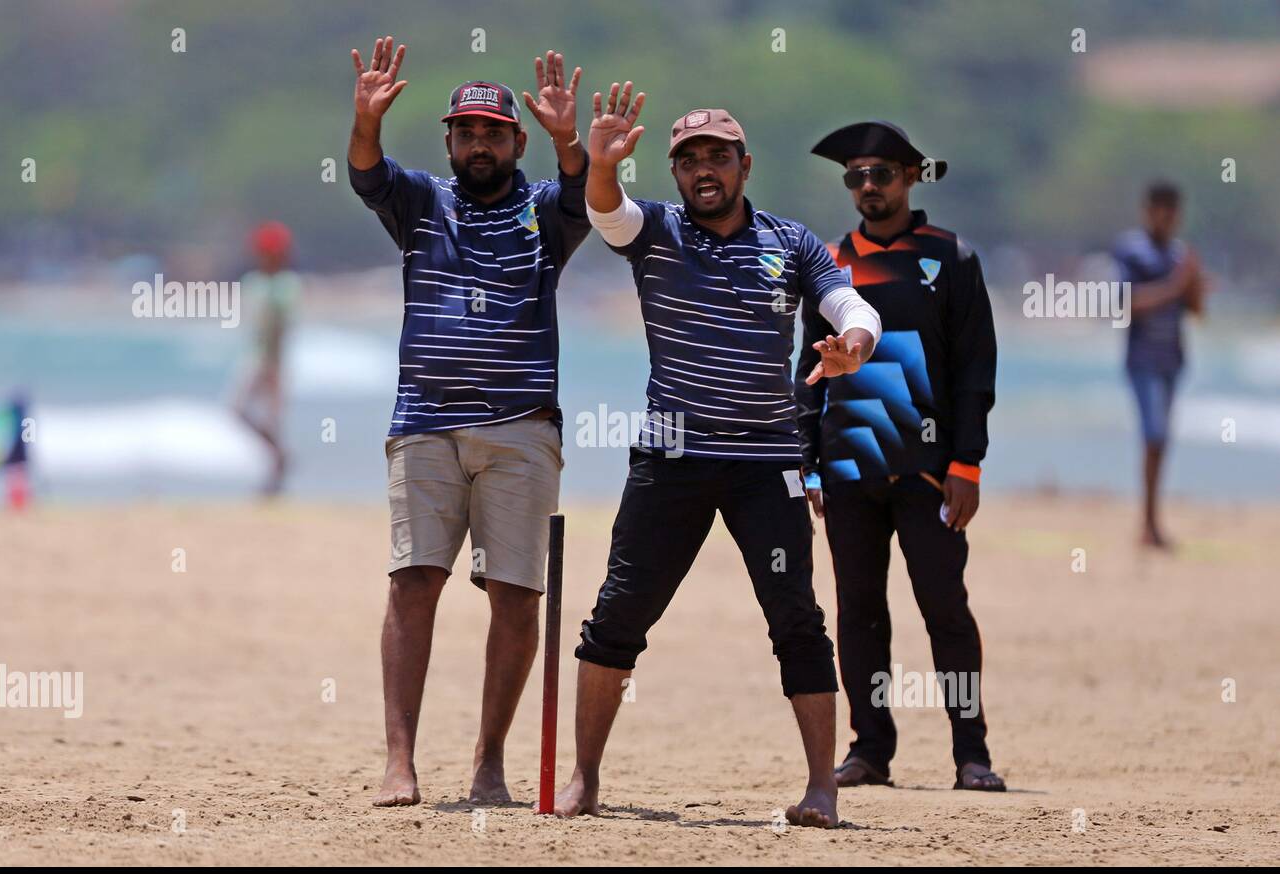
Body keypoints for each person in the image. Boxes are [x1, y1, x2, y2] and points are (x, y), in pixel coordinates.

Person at [554, 86, 880, 828]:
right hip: (671, 460)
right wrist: (601, 164)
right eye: (690, 159)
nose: (706, 170)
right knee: (617, 616)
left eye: (718, 157)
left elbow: (852, 307)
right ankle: (584, 777)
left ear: (744, 164)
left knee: (796, 619)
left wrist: (851, 349)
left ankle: (821, 789)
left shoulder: (790, 242)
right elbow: (607, 212)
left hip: (768, 466)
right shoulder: (658, 231)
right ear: (674, 173)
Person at [347, 38, 591, 806]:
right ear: (449, 142)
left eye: (493, 132)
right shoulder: (421, 203)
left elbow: (590, 197)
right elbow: (365, 174)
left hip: (522, 426)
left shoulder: (545, 212)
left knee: (516, 595)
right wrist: (365, 121)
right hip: (424, 422)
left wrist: (568, 141)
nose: (478, 143)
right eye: (465, 132)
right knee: (413, 582)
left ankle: (489, 761)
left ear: (517, 143)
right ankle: (400, 762)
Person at [795, 121, 1004, 792]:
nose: (866, 186)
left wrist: (967, 463)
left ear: (912, 178)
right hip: (850, 465)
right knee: (859, 610)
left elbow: (976, 369)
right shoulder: (830, 264)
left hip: (928, 469)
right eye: (854, 175)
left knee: (944, 606)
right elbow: (807, 371)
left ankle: (971, 754)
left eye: (880, 174)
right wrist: (806, 464)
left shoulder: (951, 257)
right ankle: (869, 751)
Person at [1112, 181, 1205, 550]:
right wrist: (1175, 285)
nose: (1167, 217)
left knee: (1161, 441)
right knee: (1154, 436)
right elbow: (1124, 303)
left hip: (1172, 360)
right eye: (1161, 209)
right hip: (1142, 361)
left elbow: (1195, 310)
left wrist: (1192, 284)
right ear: (1148, 211)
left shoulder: (1181, 255)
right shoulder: (1132, 251)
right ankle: (1149, 524)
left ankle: (1152, 521)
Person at [233, 220, 299, 496]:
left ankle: (274, 481)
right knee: (238, 411)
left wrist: (272, 366)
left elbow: (281, 328)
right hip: (256, 358)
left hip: (273, 361)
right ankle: (278, 456)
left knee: (271, 420)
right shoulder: (254, 282)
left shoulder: (286, 284)